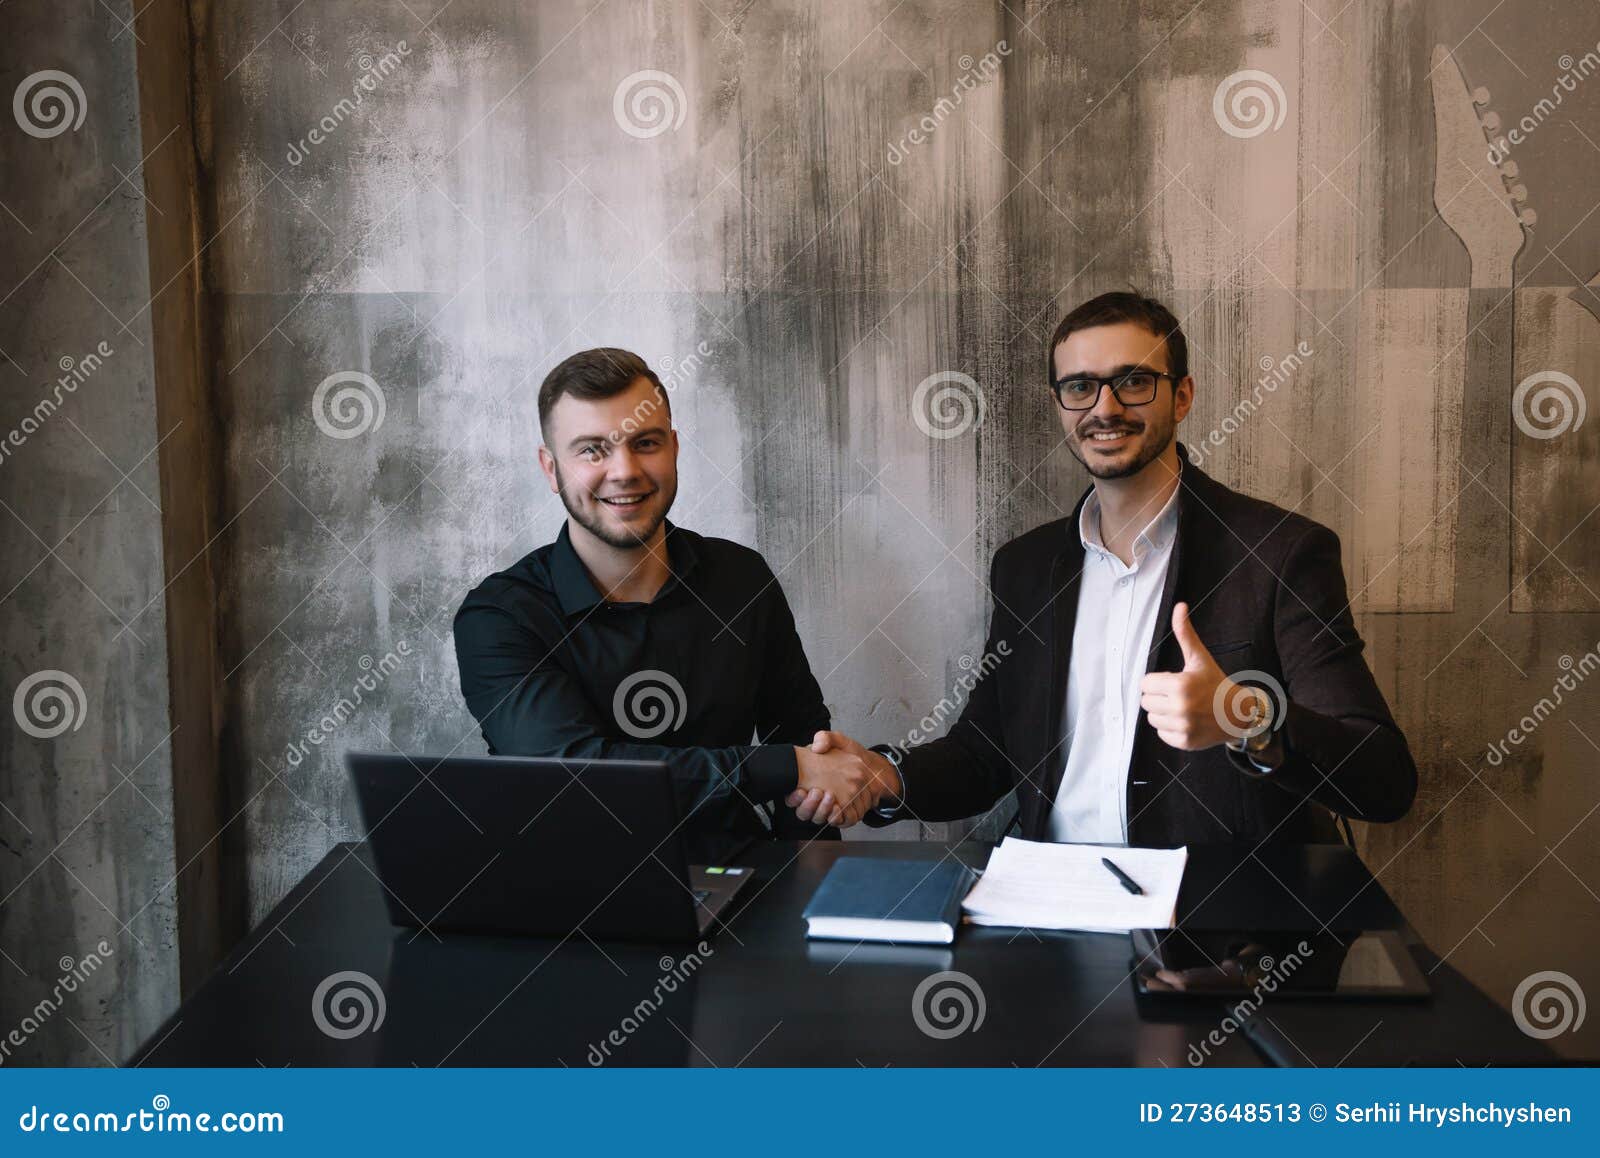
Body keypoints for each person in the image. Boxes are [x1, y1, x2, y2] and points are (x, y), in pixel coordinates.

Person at [795, 292, 1417, 845]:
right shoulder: (1026, 568)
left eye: (1133, 382)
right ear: (1060, 404)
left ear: (1184, 395)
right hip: (1053, 912)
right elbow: (987, 754)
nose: (1105, 407)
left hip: (1213, 932)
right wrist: (886, 777)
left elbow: (1383, 783)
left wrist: (1247, 716)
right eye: (1080, 387)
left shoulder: (1280, 553)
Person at [453, 348, 895, 862]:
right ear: (551, 469)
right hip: (573, 910)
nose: (624, 471)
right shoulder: (500, 615)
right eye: (592, 450)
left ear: (675, 448)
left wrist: (814, 897)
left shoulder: (741, 579)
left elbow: (808, 751)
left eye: (645, 443)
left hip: (742, 891)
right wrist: (784, 767)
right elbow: (576, 777)